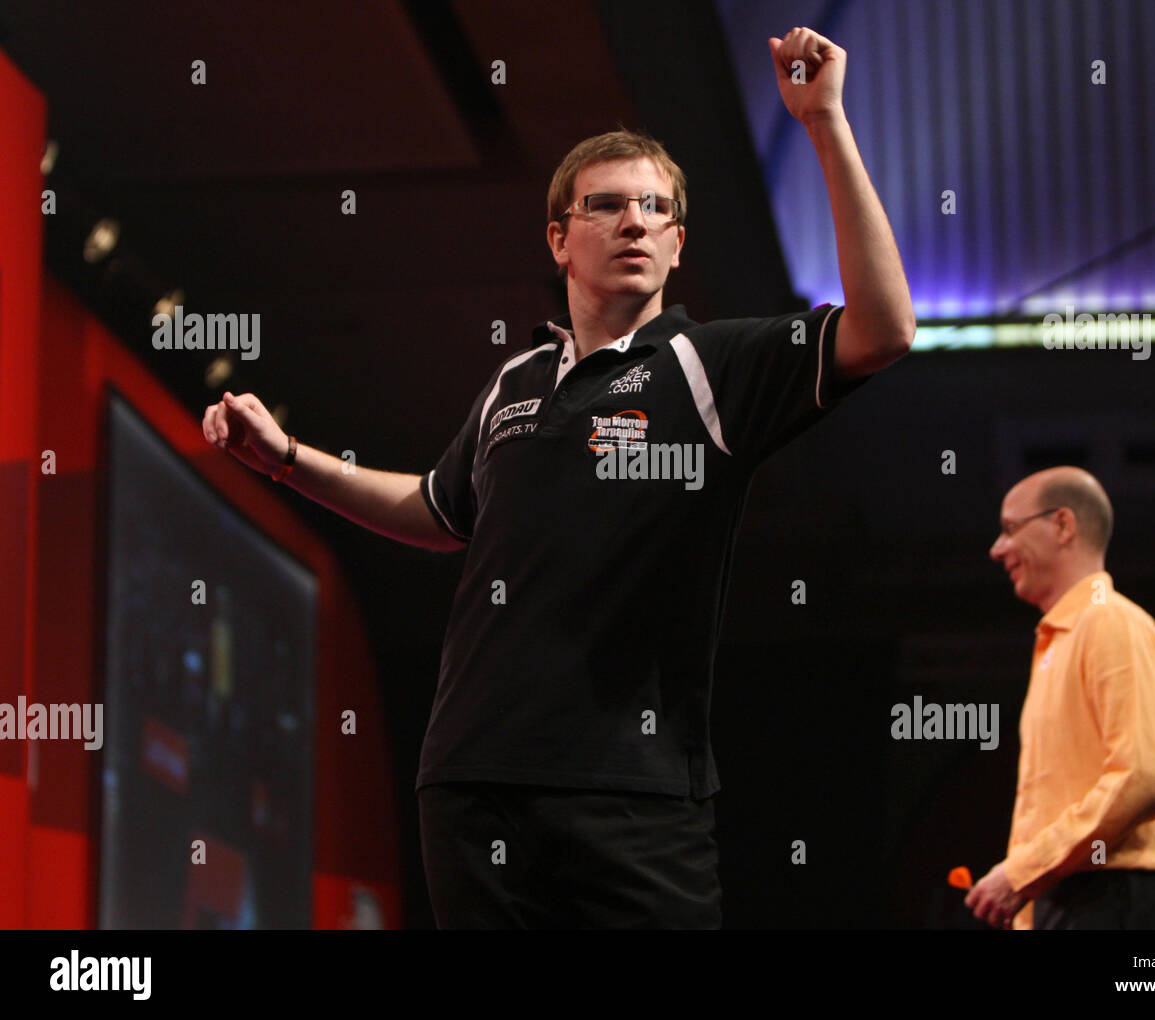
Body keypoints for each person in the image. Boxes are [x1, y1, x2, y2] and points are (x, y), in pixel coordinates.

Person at [201, 26, 914, 928]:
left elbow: (884, 330)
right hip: (472, 784)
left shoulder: (712, 366)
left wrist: (824, 123)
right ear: (558, 239)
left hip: (636, 793)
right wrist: (290, 461)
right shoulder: (515, 383)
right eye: (607, 205)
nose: (633, 222)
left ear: (678, 244)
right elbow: (435, 509)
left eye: (656, 209)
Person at [968, 466, 1155, 930]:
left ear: (1063, 525)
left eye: (1010, 529)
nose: (997, 549)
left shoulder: (1109, 623)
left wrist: (1022, 874)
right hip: (1075, 894)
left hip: (1118, 892)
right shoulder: (1061, 640)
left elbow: (1147, 775)